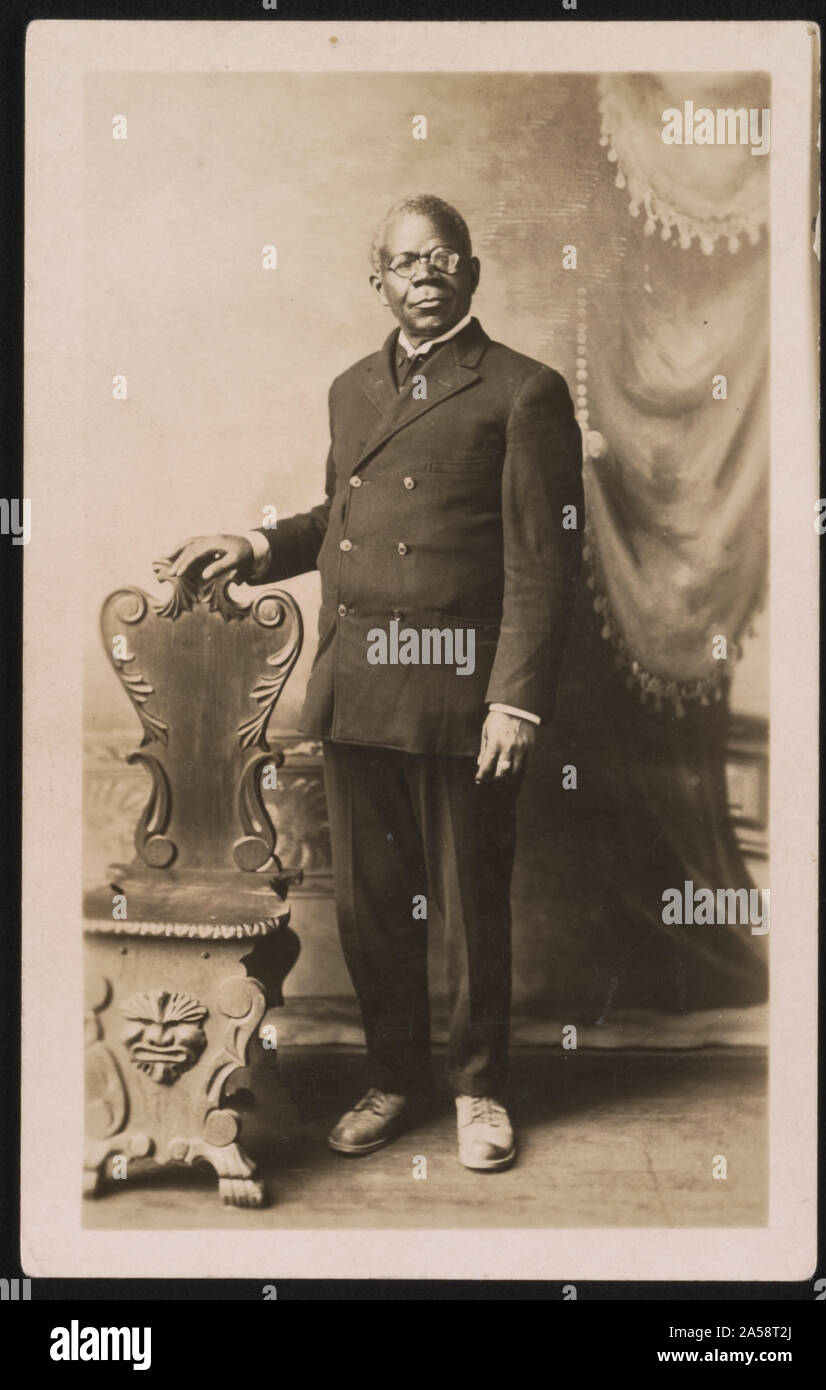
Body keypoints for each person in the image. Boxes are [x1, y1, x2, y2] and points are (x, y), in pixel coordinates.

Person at [162, 194, 584, 1170]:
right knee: (369, 907)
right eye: (402, 262)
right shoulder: (352, 387)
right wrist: (256, 542)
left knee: (470, 905)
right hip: (358, 690)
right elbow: (336, 517)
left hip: (460, 698)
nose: (422, 276)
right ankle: (395, 1075)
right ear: (378, 281)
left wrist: (514, 698)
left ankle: (478, 1087)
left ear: (469, 272)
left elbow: (538, 562)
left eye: (440, 259)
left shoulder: (522, 391)